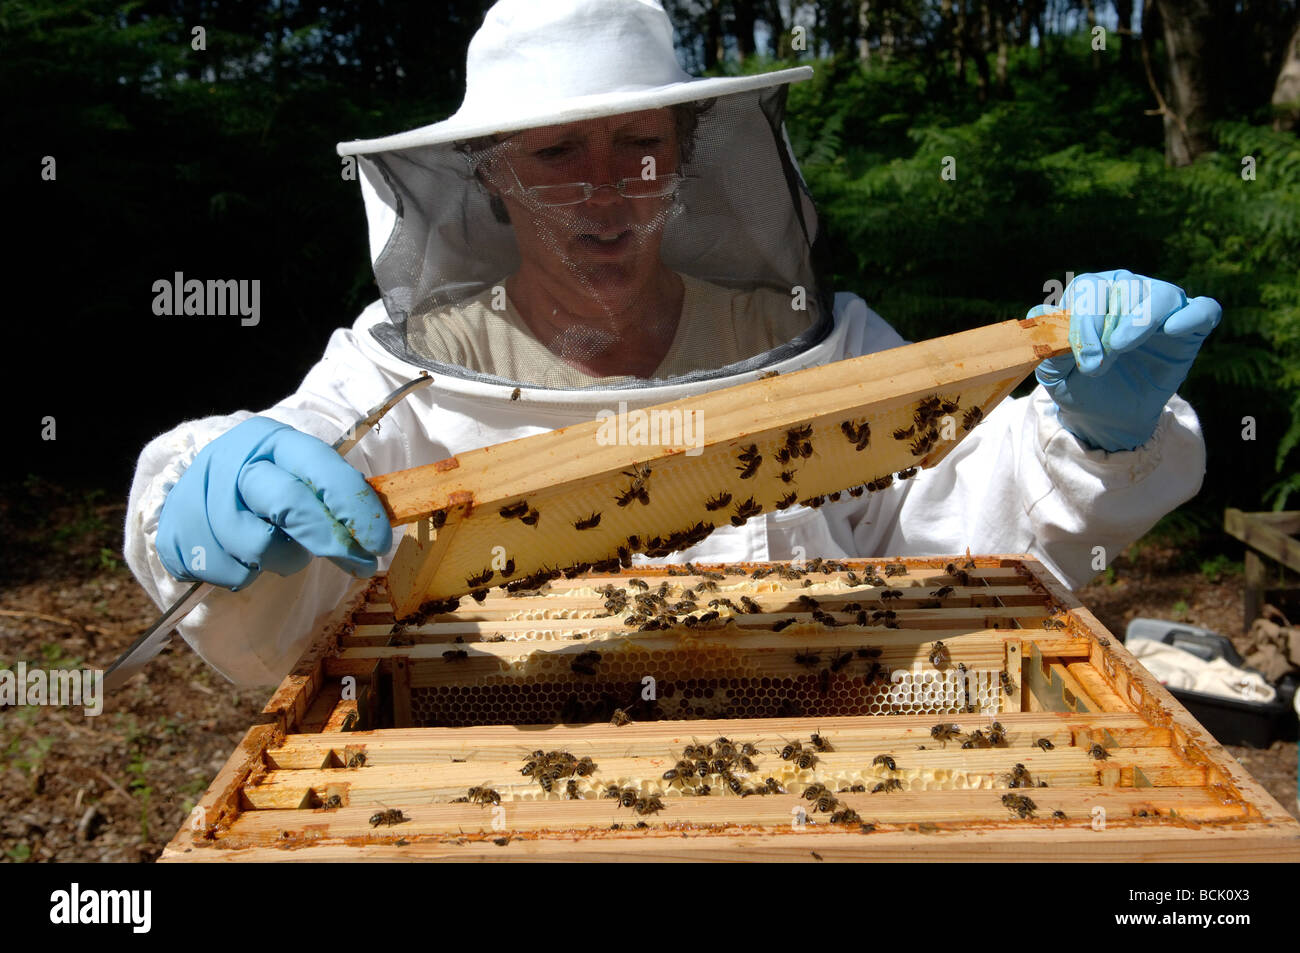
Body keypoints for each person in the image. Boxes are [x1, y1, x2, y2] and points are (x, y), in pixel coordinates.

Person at [124, 0, 1220, 687]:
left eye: (641, 144)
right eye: (556, 152)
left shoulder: (813, 344)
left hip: (810, 800)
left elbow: (951, 534)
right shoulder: (391, 377)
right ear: (494, 174)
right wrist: (207, 496)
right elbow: (292, 525)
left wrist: (1081, 438)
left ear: (686, 154)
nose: (607, 192)